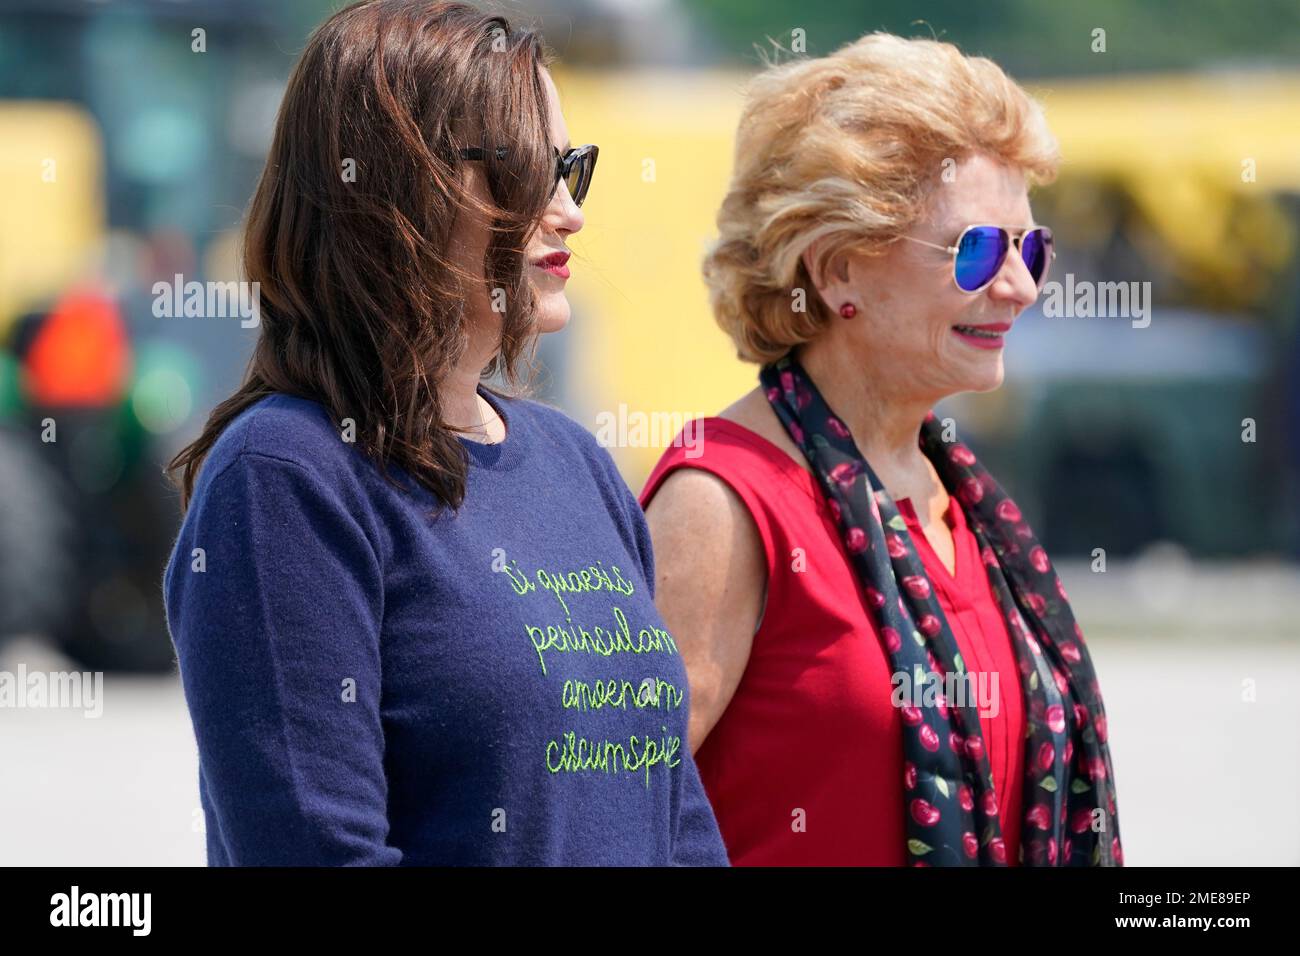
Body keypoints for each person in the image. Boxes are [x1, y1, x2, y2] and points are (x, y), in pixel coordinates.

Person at [164, 0, 727, 867]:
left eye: (568, 167)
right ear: (395, 185)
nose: (567, 210)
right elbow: (318, 849)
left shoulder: (576, 463)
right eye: (525, 169)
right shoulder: (286, 476)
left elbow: (674, 820)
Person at [641, 33, 1122, 867]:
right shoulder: (721, 499)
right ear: (836, 271)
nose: (1018, 285)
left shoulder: (964, 504)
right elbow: (611, 811)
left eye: (1031, 247)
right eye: (976, 249)